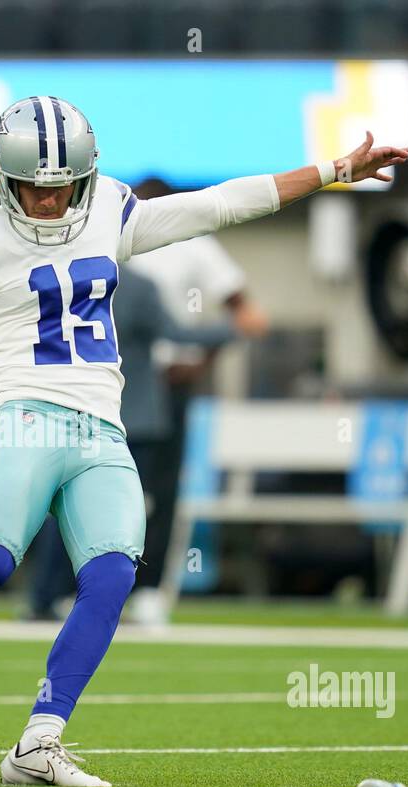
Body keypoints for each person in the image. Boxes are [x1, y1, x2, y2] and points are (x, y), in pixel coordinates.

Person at [0, 97, 408, 787]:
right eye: (31, 186)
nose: (47, 199)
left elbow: (220, 205)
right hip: (26, 419)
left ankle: (40, 742)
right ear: (4, 180)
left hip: (103, 429)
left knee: (111, 575)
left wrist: (335, 170)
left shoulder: (109, 211)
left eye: (61, 183)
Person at [26, 268, 265, 620]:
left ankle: (49, 595)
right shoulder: (136, 285)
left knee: (68, 507)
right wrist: (233, 329)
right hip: (132, 419)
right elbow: (176, 334)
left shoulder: (63, 280)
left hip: (78, 414)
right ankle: (120, 595)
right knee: (130, 516)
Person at [125, 177, 269, 625]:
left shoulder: (192, 242)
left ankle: (148, 591)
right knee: (102, 487)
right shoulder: (114, 238)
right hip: (111, 381)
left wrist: (201, 361)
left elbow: (246, 313)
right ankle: (80, 587)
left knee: (159, 493)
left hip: (168, 385)